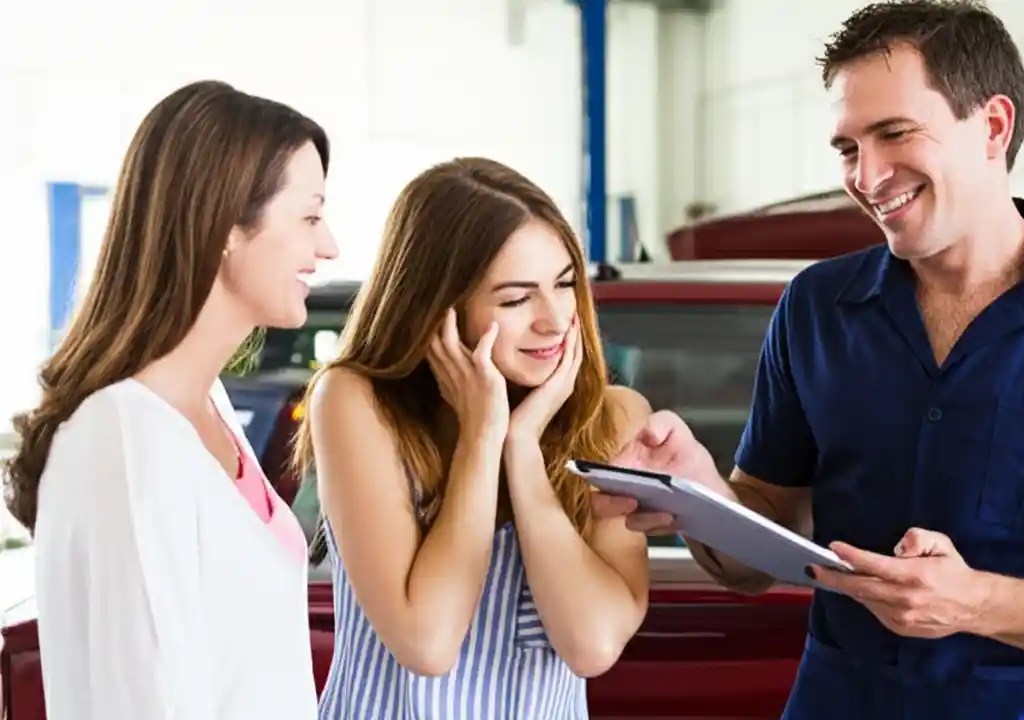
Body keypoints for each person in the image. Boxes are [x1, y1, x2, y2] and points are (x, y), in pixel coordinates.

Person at [595, 2, 1024, 718]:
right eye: (848, 148)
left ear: (994, 126)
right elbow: (757, 556)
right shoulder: (815, 310)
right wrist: (701, 498)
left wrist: (977, 602)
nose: (867, 175)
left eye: (895, 134)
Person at [1, 80, 338, 719]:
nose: (329, 246)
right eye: (311, 216)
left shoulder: (201, 408)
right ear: (225, 226)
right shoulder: (125, 437)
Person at [292, 156, 652, 719]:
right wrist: (481, 441)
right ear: (438, 309)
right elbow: (427, 643)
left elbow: (593, 644)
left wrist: (522, 449)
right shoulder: (355, 403)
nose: (555, 320)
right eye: (515, 299)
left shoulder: (614, 418)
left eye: (563, 286)